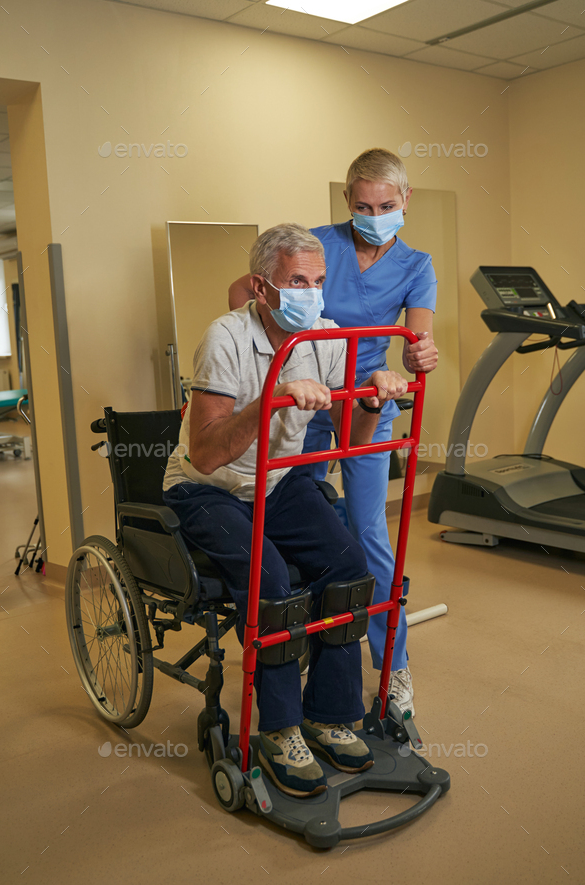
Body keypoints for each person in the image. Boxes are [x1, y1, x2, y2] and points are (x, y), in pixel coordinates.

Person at [163, 222, 408, 799]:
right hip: (209, 487)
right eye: (297, 280)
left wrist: (373, 395)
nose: (311, 293)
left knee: (351, 569)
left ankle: (328, 715)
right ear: (261, 287)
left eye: (318, 281)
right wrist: (269, 402)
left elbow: (353, 431)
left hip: (278, 482)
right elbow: (203, 453)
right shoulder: (225, 337)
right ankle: (278, 729)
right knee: (271, 580)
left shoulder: (324, 336)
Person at [229, 149, 438, 717]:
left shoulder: (417, 266)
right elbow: (239, 296)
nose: (374, 214)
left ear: (405, 201)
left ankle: (393, 666)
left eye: (386, 205)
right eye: (363, 205)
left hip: (364, 400)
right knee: (297, 522)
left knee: (368, 530)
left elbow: (415, 349)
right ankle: (304, 636)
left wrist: (420, 356)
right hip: (304, 402)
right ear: (347, 201)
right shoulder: (317, 245)